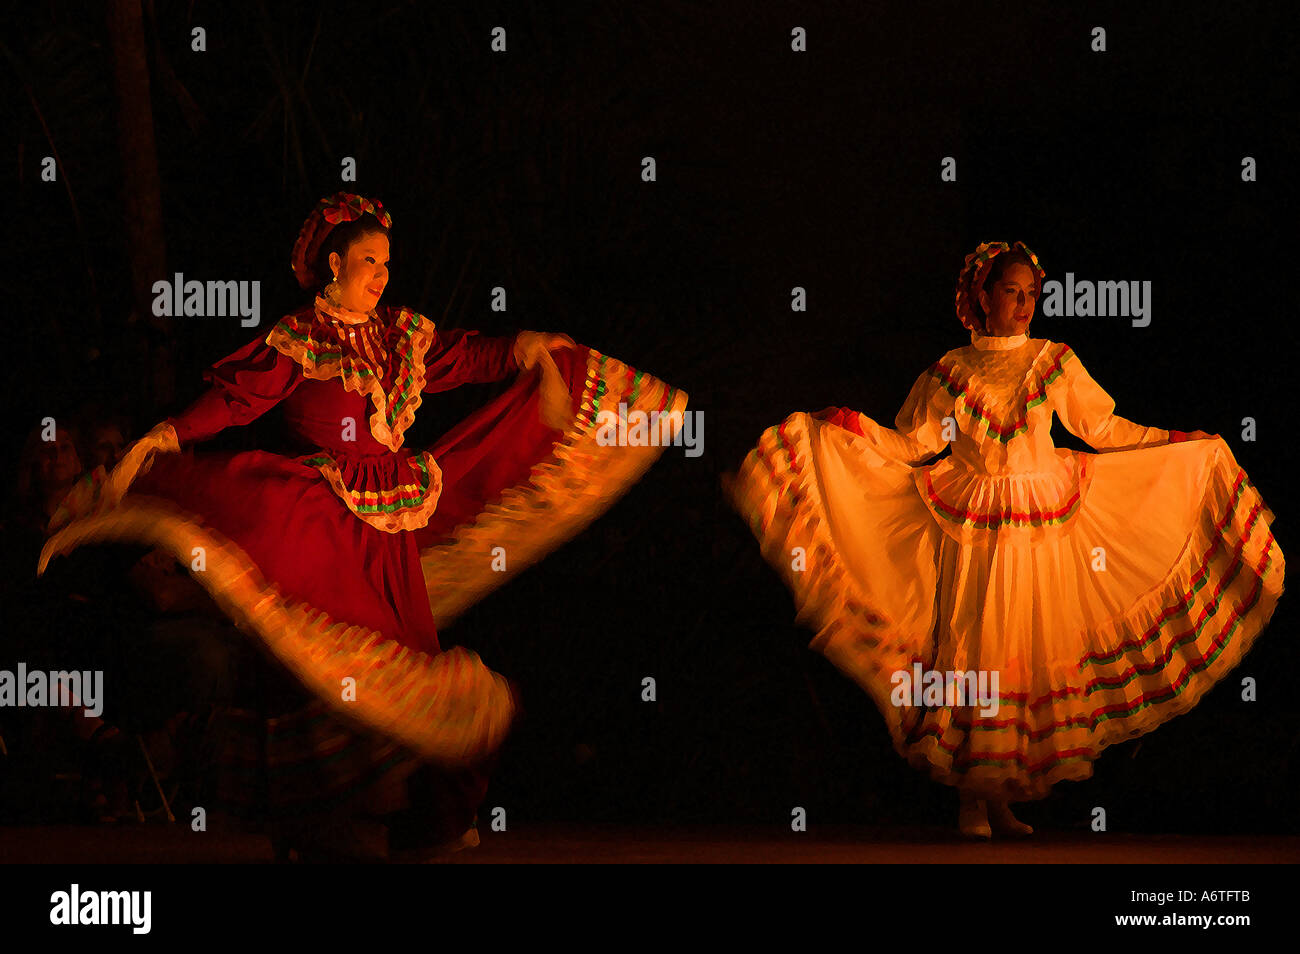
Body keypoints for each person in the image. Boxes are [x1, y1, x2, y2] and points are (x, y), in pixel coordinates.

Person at [38, 192, 689, 859]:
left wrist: (522, 347)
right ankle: (310, 819)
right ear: (333, 263)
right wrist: (175, 432)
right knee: (322, 659)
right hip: (322, 518)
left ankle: (412, 813)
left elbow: (467, 357)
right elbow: (238, 399)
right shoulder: (302, 336)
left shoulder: (400, 336)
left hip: (391, 525)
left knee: (406, 669)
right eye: (369, 259)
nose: (381, 273)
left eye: (386, 262)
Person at [725, 241, 1284, 838]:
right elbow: (913, 444)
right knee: (975, 646)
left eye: (1032, 294)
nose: (1025, 304)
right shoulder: (950, 372)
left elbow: (1101, 427)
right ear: (984, 296)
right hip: (973, 523)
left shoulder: (1052, 361)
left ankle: (997, 797)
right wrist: (855, 427)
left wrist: (1172, 439)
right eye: (1013, 292)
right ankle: (971, 797)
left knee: (1022, 650)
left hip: (1043, 520)